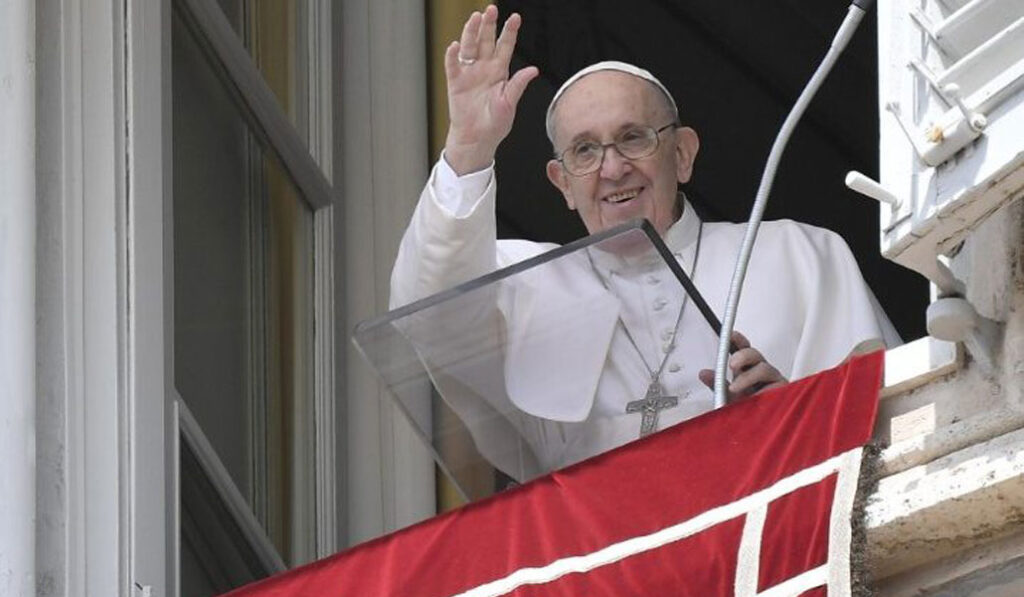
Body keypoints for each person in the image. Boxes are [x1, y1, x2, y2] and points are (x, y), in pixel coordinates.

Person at [389, 6, 899, 480]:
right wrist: (469, 149)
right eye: (584, 150)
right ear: (562, 182)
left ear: (682, 154)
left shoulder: (800, 255)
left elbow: (894, 428)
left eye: (633, 137)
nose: (612, 169)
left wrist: (794, 417)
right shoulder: (524, 280)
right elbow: (428, 314)